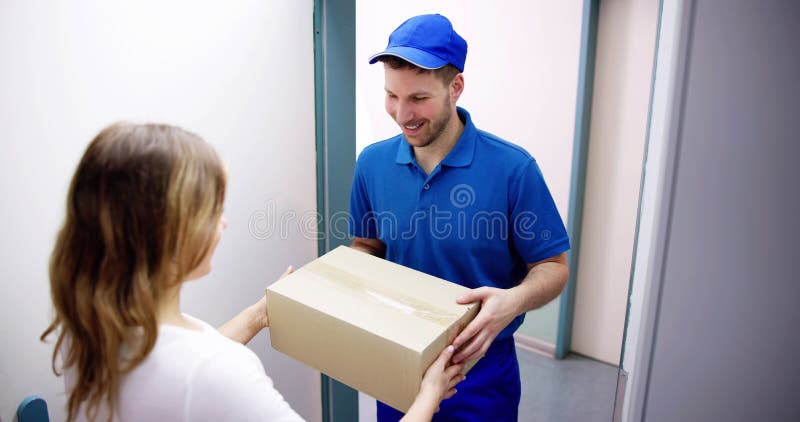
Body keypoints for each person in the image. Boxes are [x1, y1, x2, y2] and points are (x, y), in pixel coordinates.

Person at [41, 122, 465, 421]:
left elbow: (183, 365)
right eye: (213, 210)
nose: (223, 223)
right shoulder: (218, 375)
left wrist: (261, 313)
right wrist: (427, 397)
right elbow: (199, 373)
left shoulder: (87, 331)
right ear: (170, 233)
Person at [349, 13, 571, 421]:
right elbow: (367, 245)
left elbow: (553, 267)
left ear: (456, 87)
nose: (402, 114)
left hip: (480, 372)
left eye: (419, 98)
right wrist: (342, 281)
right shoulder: (371, 164)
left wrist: (513, 301)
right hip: (399, 361)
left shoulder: (513, 169)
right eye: (392, 95)